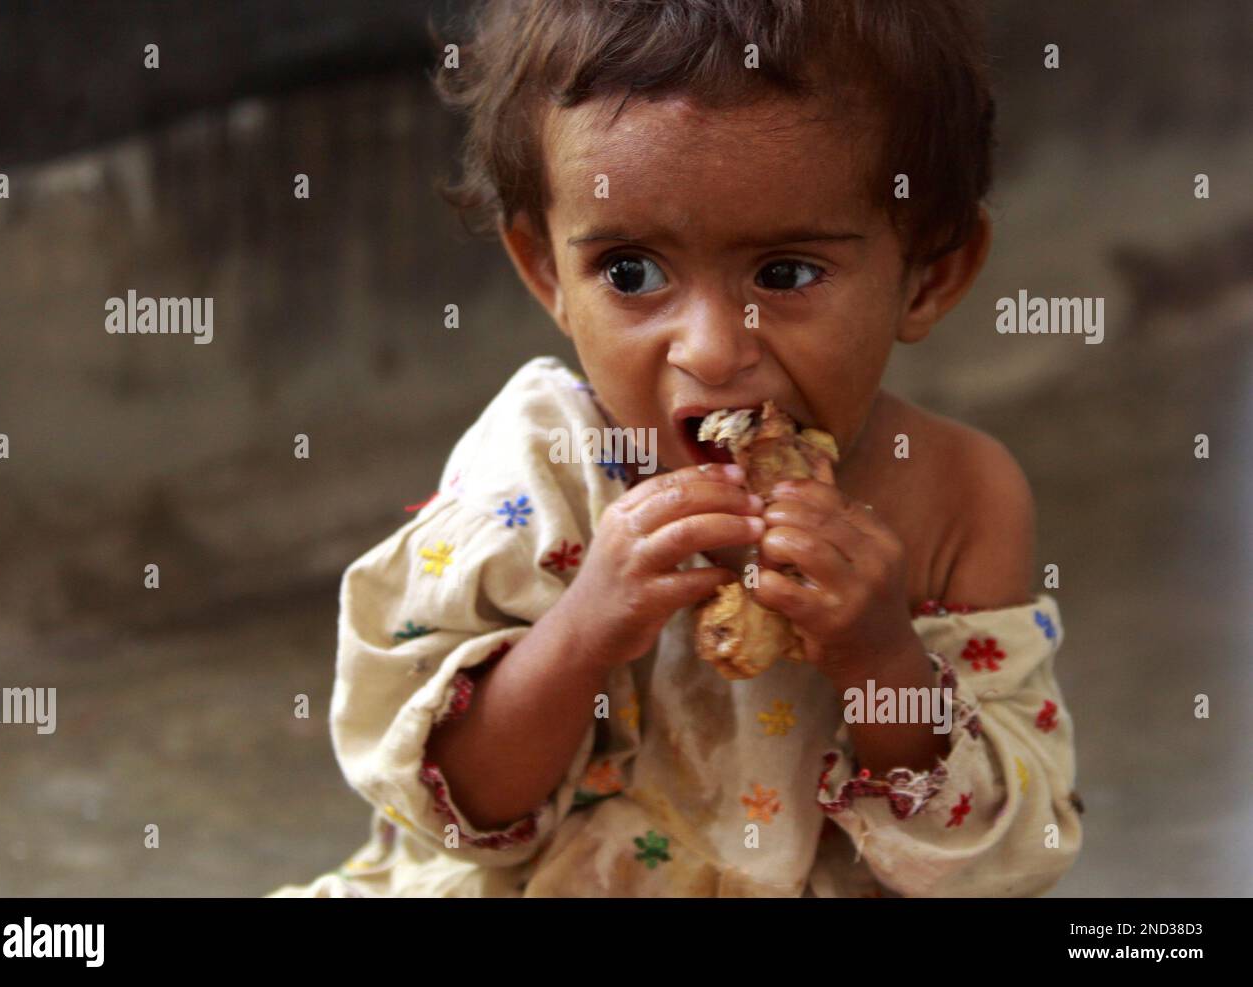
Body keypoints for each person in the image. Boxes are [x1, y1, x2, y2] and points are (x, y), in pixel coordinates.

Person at [269, 0, 1082, 897]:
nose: (710, 347)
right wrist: (583, 629)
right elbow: (462, 803)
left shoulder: (961, 498)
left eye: (785, 273)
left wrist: (884, 661)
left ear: (930, 274)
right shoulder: (541, 467)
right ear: (549, 275)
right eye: (631, 272)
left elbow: (1004, 853)